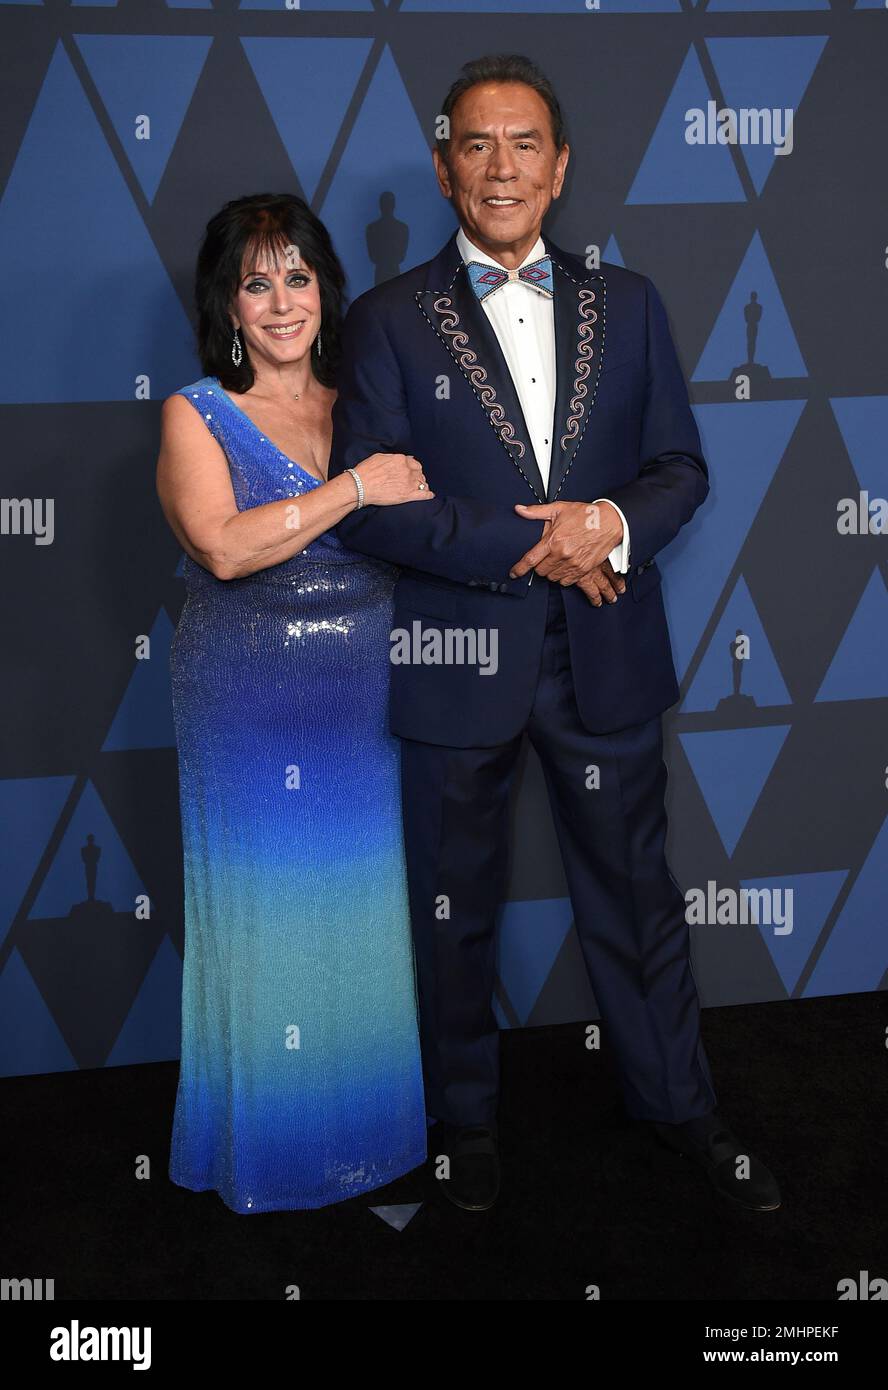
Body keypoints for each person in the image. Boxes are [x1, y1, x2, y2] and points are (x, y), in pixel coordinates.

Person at [328, 55, 781, 1213]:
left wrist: (611, 524)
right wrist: (531, 542)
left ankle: (679, 1106)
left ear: (561, 165)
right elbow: (376, 502)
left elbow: (682, 468)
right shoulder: (382, 321)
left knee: (636, 898)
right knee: (452, 906)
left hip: (605, 647)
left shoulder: (630, 305)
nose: (501, 167)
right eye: (476, 145)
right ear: (443, 168)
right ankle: (462, 1123)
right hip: (455, 656)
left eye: (524, 144)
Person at [156, 193, 434, 1213]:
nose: (281, 303)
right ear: (227, 305)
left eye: (298, 277)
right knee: (268, 913)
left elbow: (441, 516)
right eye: (256, 282)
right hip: (245, 695)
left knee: (355, 907)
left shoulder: (362, 398)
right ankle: (267, 1155)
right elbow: (224, 546)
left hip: (360, 693)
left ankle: (366, 1141)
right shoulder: (195, 412)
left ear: (327, 288)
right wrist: (355, 489)